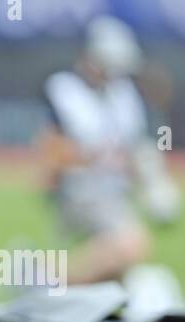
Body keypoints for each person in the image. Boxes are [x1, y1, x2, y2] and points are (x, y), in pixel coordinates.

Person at [38, 16, 177, 286]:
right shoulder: (64, 90)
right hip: (81, 192)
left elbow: (135, 147)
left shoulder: (123, 94)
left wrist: (153, 181)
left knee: (114, 278)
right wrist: (97, 158)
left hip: (117, 194)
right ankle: (47, 279)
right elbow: (53, 153)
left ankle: (65, 295)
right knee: (131, 244)